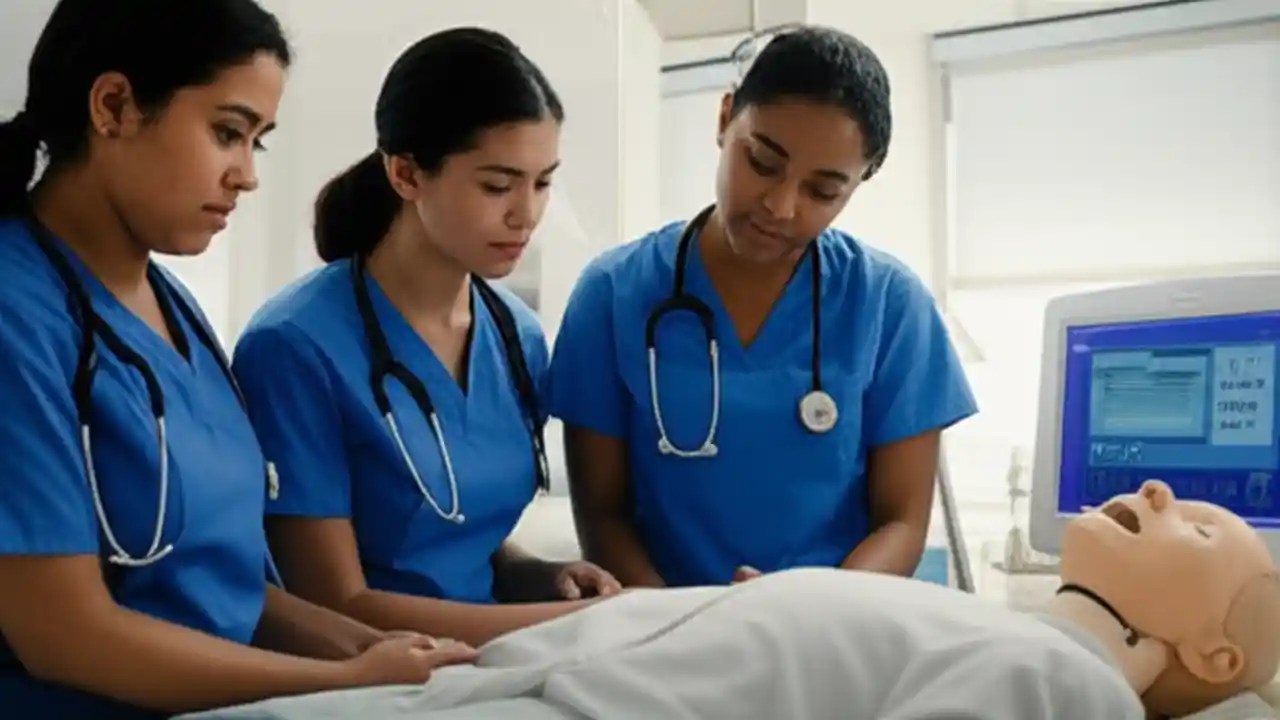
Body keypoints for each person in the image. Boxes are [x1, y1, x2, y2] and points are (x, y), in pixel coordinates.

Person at [0, 2, 479, 718]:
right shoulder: (17, 311)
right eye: (228, 133)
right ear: (114, 106)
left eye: (258, 142)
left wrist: (365, 648)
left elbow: (216, 586)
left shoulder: (173, 308)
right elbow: (63, 634)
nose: (246, 175)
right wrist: (343, 682)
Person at [177, 480, 1280, 720]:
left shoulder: (1066, 680)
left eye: (1202, 526)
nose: (1152, 489)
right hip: (531, 680)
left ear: (1213, 660)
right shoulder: (1012, 634)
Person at [545, 24, 980, 589]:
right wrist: (678, 624)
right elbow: (603, 516)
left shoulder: (891, 307)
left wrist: (804, 611)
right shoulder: (611, 294)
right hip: (663, 632)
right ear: (726, 119)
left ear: (860, 181)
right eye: (762, 163)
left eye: (823, 192)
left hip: (834, 628)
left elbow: (900, 521)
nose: (780, 206)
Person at [230, 27, 620, 650]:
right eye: (497, 185)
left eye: (542, 182)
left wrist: (538, 576)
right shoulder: (295, 347)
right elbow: (332, 602)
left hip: (489, 656)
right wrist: (570, 627)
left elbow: (455, 532)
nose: (526, 214)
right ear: (407, 174)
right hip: (368, 674)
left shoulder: (516, 337)